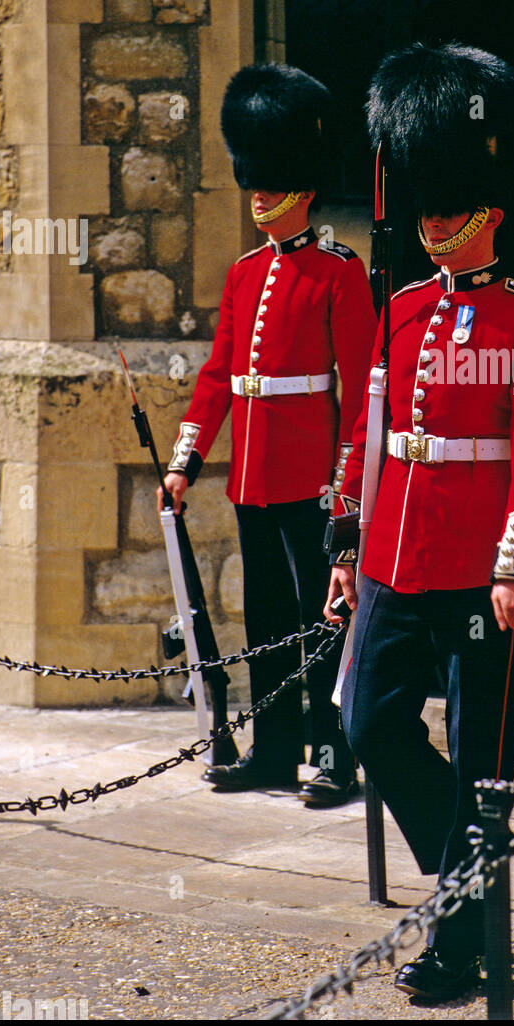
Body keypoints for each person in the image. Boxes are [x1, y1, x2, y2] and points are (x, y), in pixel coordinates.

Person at [324, 43, 514, 1003]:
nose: (432, 222)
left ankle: (461, 934)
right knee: (366, 723)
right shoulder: (401, 307)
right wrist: (348, 542)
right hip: (396, 551)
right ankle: (465, 880)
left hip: (480, 565)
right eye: (425, 204)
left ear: (490, 211)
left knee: (478, 761)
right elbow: (372, 432)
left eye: (450, 205)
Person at [160, 63, 375, 802]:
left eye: (271, 184)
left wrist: (345, 482)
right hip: (252, 472)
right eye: (254, 183)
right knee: (265, 619)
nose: (258, 196)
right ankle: (276, 747)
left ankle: (334, 752)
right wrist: (187, 458)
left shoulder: (339, 273)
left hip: (311, 472)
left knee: (323, 616)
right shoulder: (244, 273)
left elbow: (358, 388)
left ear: (303, 191)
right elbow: (220, 376)